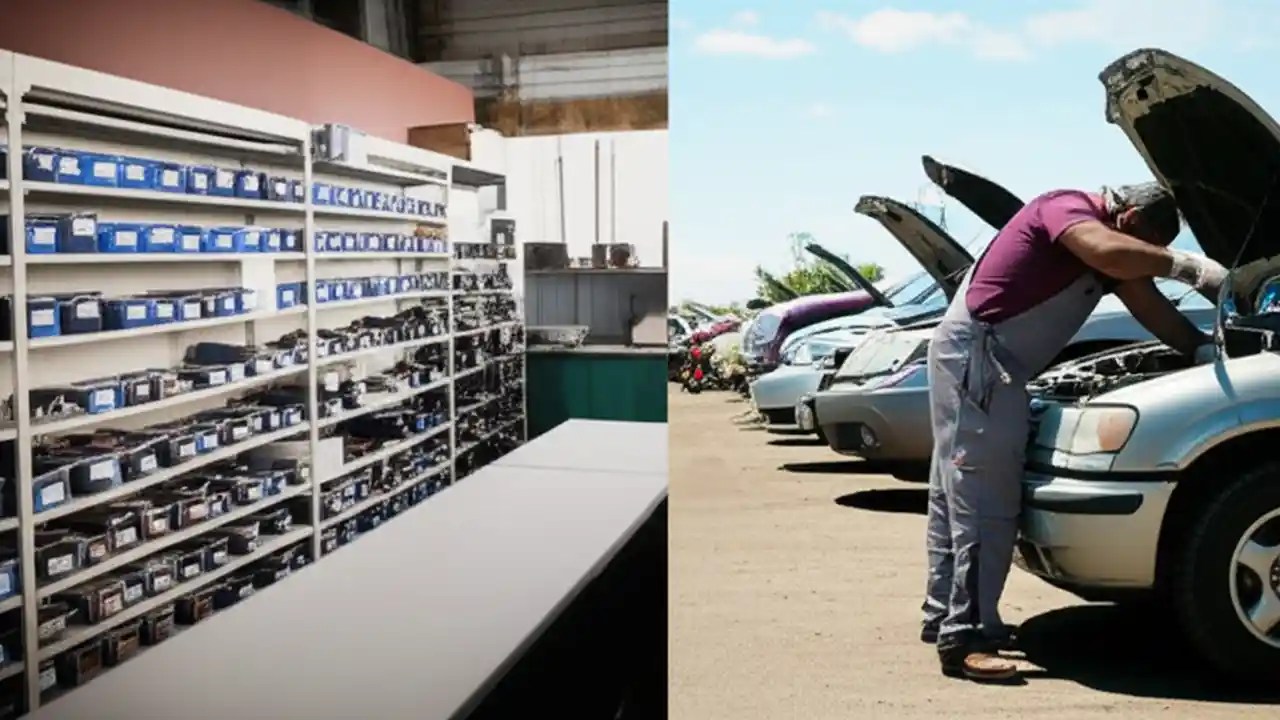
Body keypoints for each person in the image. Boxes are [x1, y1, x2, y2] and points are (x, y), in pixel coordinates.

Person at [919, 181, 1227, 682]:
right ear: (1126, 216)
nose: (1146, 254)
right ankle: (965, 636)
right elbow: (1105, 249)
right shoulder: (1067, 208)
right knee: (983, 500)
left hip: (981, 361)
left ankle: (944, 616)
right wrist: (1183, 266)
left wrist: (1200, 349)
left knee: (952, 495)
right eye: (1146, 240)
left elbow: (1150, 307)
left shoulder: (1109, 254)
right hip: (983, 360)